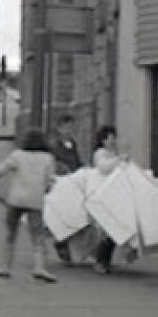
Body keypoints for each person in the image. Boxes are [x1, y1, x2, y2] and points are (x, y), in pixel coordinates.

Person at [0, 127, 58, 283]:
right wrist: (46, 189)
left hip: (15, 199)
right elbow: (50, 181)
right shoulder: (48, 158)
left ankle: (5, 267)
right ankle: (39, 267)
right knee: (37, 236)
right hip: (35, 200)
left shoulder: (17, 155)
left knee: (10, 233)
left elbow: (0, 171)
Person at [90, 125, 130, 275]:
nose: (114, 141)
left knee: (112, 229)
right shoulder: (101, 153)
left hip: (113, 195)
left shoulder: (111, 154)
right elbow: (103, 168)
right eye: (111, 138)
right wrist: (119, 160)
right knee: (108, 230)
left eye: (114, 138)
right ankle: (101, 261)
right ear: (104, 139)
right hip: (104, 196)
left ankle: (104, 261)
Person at [48, 113, 84, 265]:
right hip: (61, 184)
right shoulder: (54, 145)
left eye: (71, 127)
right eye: (66, 127)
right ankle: (61, 243)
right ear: (59, 128)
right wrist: (63, 169)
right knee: (62, 215)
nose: (69, 130)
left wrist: (83, 170)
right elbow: (53, 163)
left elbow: (77, 161)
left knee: (73, 214)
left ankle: (66, 244)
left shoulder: (73, 144)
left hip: (74, 183)